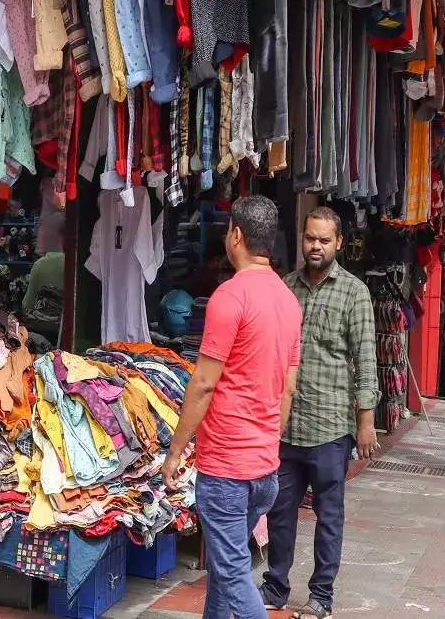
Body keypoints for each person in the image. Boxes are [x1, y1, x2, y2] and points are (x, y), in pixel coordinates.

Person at [162, 196, 302, 619]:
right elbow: (288, 389)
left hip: (226, 466)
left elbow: (203, 383)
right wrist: (267, 443)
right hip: (264, 469)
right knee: (225, 574)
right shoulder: (288, 300)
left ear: (236, 235)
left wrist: (174, 453)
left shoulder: (230, 296)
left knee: (234, 573)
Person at [260, 207, 380, 619]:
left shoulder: (354, 292)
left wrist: (366, 420)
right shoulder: (285, 288)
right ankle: (275, 586)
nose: (315, 246)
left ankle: (321, 596)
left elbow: (366, 359)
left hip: (331, 427)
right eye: (310, 238)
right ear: (302, 237)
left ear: (339, 243)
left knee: (329, 515)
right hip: (286, 425)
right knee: (279, 512)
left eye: (324, 240)